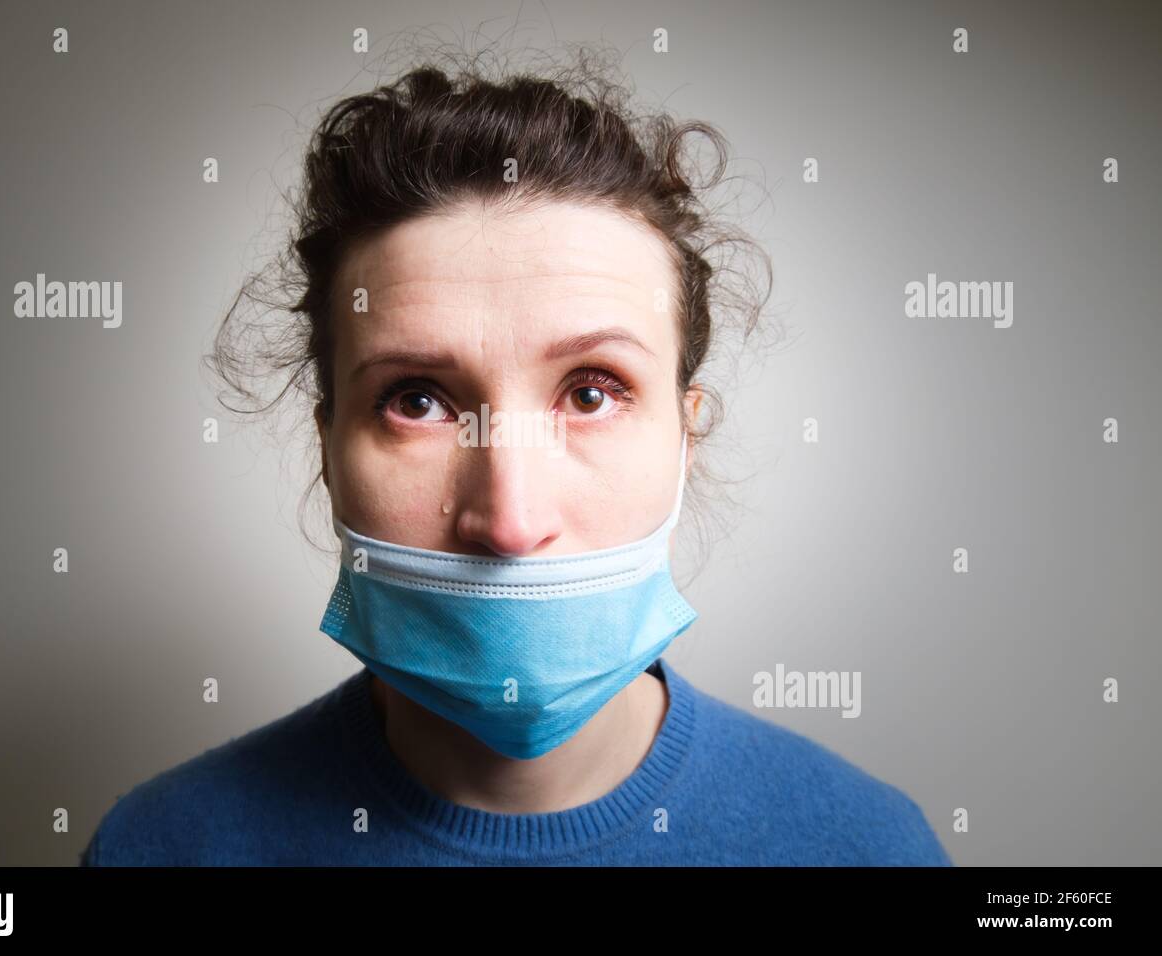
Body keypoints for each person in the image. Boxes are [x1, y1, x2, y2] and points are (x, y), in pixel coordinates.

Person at [80, 56, 951, 866]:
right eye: (416, 399)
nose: (509, 520)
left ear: (685, 438)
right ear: (326, 445)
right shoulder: (162, 848)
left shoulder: (868, 849)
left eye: (591, 392)